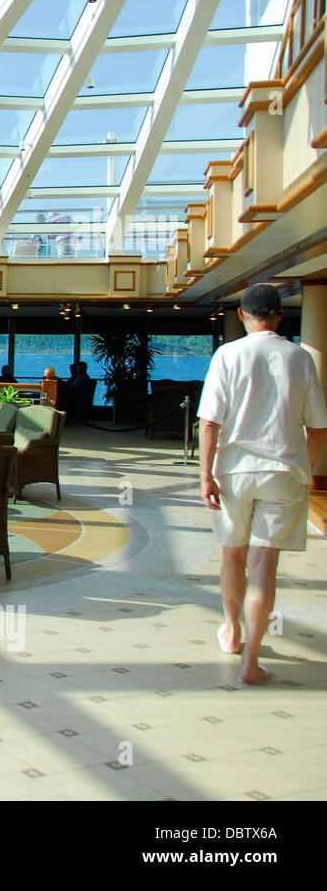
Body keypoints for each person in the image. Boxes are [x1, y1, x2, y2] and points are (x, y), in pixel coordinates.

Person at [198, 285, 327, 685]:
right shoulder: (299, 357)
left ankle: (231, 631)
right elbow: (317, 427)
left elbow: (209, 423)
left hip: (234, 471)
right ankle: (250, 662)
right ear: (279, 316)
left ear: (241, 314)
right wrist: (300, 468)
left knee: (232, 557)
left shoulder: (228, 354)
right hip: (284, 472)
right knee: (264, 566)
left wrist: (206, 475)